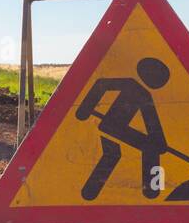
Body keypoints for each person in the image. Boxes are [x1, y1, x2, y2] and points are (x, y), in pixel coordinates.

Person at [74, 57, 172, 200]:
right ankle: (152, 190)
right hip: (112, 126)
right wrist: (84, 109)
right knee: (149, 148)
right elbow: (101, 84)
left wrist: (160, 142)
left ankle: (89, 193)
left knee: (112, 154)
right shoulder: (134, 87)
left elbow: (152, 124)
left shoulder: (142, 92)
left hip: (113, 127)